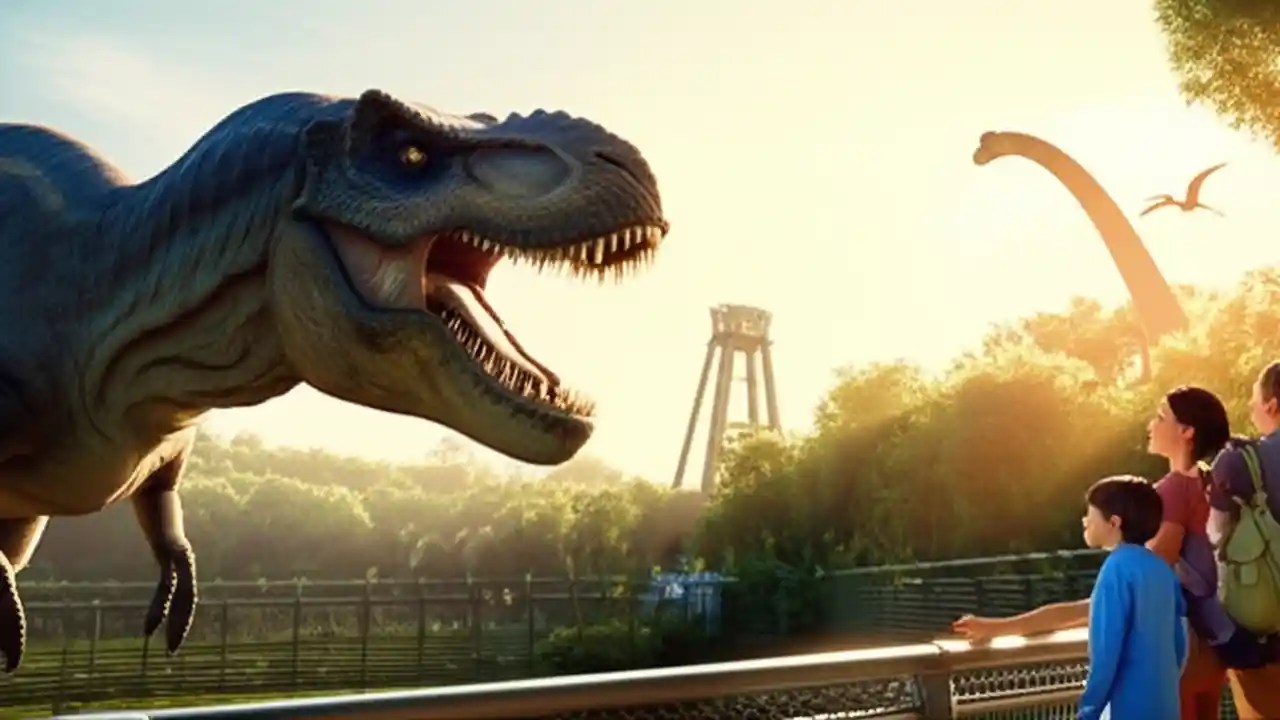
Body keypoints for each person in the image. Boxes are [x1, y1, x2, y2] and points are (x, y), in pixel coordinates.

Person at [953, 385, 1237, 719]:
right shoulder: (1213, 485)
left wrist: (1000, 627)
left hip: (1181, 666)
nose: (1150, 424)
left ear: (1187, 432)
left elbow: (1115, 606)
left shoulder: (1171, 494)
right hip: (1214, 648)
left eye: (1161, 417)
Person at [1076, 475, 1186, 720]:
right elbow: (1179, 642)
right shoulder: (1161, 568)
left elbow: (1105, 652)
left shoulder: (1115, 569)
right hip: (1164, 705)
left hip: (1126, 708)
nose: (1085, 520)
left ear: (1114, 522)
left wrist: (1089, 709)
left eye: (1090, 514)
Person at [1206, 362, 1280, 719]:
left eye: (1254, 402)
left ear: (1272, 405)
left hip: (1266, 630)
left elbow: (1215, 535)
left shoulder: (1239, 461)